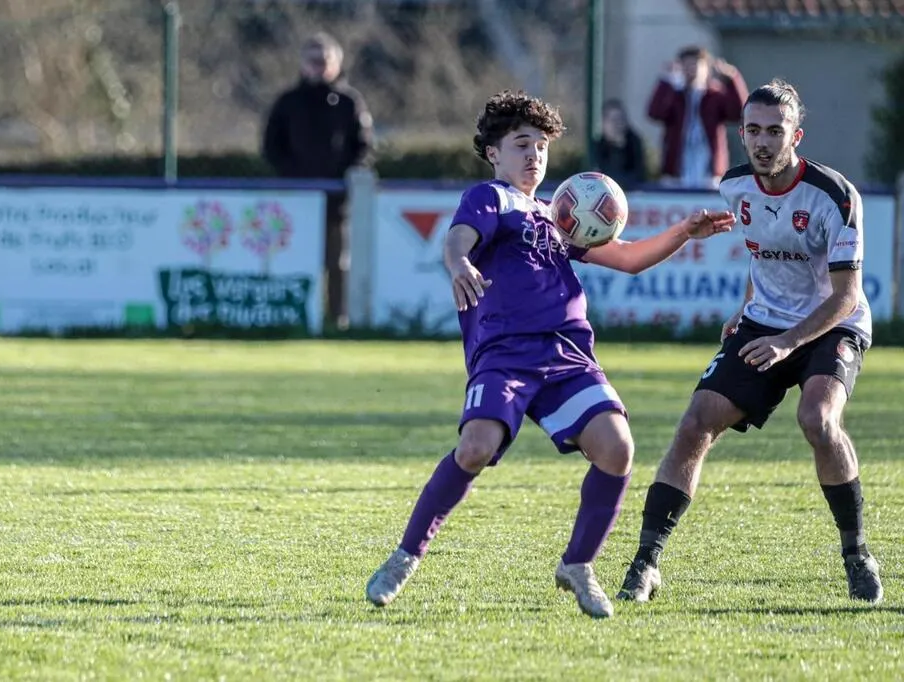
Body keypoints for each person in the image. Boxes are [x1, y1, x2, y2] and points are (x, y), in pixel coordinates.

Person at [364, 90, 735, 618]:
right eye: (522, 144)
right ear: (493, 153)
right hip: (505, 354)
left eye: (541, 146)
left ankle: (578, 564)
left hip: (567, 355)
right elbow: (458, 238)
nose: (534, 155)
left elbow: (628, 258)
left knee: (617, 449)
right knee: (475, 448)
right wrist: (459, 263)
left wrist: (683, 232)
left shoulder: (560, 215)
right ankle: (405, 557)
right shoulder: (490, 198)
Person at [617, 79, 883, 605]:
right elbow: (763, 253)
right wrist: (747, 308)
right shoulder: (735, 185)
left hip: (832, 323)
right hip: (764, 323)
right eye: (754, 130)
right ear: (740, 134)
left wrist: (787, 342)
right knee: (695, 423)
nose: (763, 142)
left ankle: (857, 555)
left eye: (775, 131)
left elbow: (846, 296)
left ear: (796, 136)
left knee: (818, 419)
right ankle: (645, 563)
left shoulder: (835, 196)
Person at [262, 32, 373, 329]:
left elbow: (363, 148)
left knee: (337, 263)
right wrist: (292, 177)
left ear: (337, 63)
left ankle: (337, 321)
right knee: (293, 259)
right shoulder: (287, 102)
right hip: (296, 199)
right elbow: (271, 147)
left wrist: (345, 177)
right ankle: (294, 319)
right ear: (302, 64)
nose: (319, 67)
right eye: (313, 60)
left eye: (325, 61)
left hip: (336, 201)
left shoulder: (349, 102)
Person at [647, 45, 747, 189]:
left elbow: (738, 114)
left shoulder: (715, 95)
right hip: (677, 174)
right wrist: (665, 82)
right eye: (686, 65)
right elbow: (655, 113)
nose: (691, 70)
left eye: (696, 65)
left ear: (706, 69)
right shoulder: (674, 96)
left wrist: (732, 80)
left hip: (709, 174)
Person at [592, 98, 646, 190]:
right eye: (613, 120)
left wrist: (619, 148)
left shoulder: (633, 142)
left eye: (621, 119)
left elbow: (638, 174)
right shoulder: (596, 145)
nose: (618, 124)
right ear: (604, 122)